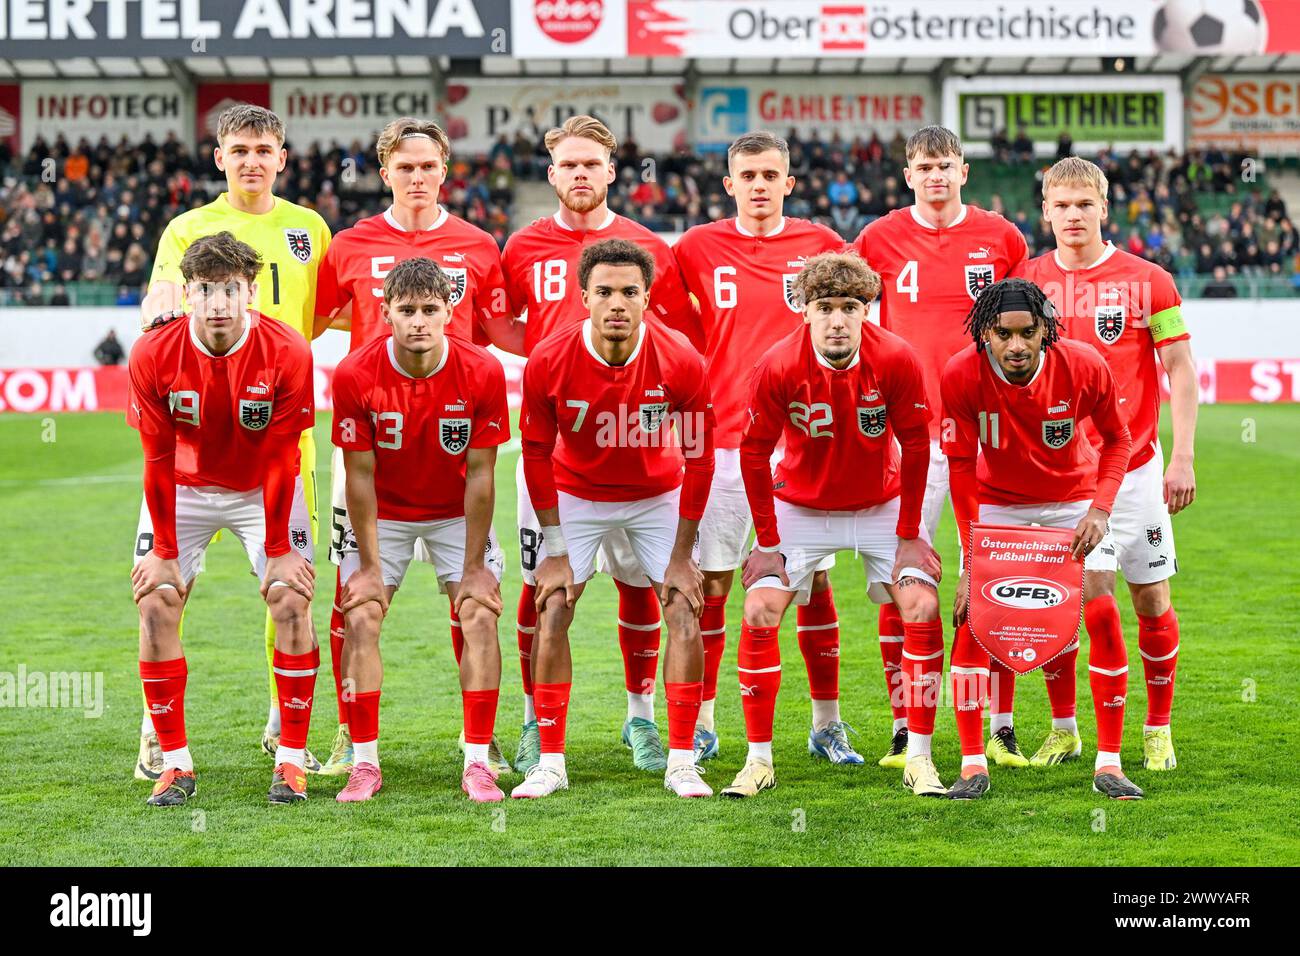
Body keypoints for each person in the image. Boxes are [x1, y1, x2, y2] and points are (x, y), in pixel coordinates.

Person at [312, 116, 517, 777]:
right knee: (356, 599)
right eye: (406, 167)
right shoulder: (349, 245)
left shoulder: (479, 244)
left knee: (474, 599)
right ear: (385, 174)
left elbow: (497, 327)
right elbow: (312, 323)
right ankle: (351, 737)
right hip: (371, 441)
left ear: (445, 169)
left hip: (454, 443)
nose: (418, 177)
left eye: (429, 166)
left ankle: (476, 746)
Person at [134, 104, 331, 781]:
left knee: (285, 589)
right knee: (161, 591)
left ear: (282, 156)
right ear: (220, 156)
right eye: (239, 149)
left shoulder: (309, 228)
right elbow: (161, 294)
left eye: (264, 149)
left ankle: (288, 728)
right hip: (193, 452)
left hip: (275, 435)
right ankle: (160, 735)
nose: (252, 159)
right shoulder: (187, 228)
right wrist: (167, 326)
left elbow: (332, 309)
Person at [500, 115, 700, 775]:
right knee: (544, 590)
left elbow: (681, 336)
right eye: (568, 165)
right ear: (551, 173)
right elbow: (499, 320)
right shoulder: (522, 246)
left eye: (592, 163)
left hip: (640, 453)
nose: (580, 174)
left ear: (612, 171)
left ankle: (641, 717)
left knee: (643, 589)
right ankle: (536, 723)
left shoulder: (649, 246)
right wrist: (548, 368)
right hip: (561, 452)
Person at [726, 253, 946, 799]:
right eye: (825, 308)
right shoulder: (777, 364)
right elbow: (752, 453)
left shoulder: (896, 357)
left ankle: (919, 754)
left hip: (881, 506)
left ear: (868, 310)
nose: (838, 320)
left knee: (921, 605)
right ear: (804, 311)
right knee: (758, 608)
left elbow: (917, 444)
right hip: (802, 509)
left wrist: (911, 535)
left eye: (851, 307)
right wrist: (770, 543)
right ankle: (758, 761)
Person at [672, 131, 853, 765]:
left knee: (815, 583)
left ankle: (826, 724)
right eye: (746, 175)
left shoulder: (822, 247)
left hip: (803, 443)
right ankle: (701, 720)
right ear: (728, 185)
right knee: (715, 584)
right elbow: (672, 319)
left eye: (770, 175)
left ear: (788, 183)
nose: (758, 185)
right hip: (724, 443)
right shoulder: (697, 247)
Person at [850, 125, 1028, 769]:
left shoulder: (1003, 238)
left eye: (945, 165)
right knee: (906, 582)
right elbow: (851, 322)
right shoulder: (878, 239)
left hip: (992, 431)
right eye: (924, 166)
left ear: (964, 171)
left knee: (999, 578)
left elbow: (1026, 327)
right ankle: (905, 724)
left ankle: (1000, 726)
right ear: (907, 174)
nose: (935, 175)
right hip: (913, 436)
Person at [515, 239, 714, 799]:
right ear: (584, 298)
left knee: (683, 605)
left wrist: (680, 556)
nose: (617, 304)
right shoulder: (550, 360)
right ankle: (550, 760)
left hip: (655, 495)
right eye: (604, 292)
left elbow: (699, 456)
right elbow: (534, 453)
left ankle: (681, 760)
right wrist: (554, 546)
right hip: (573, 494)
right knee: (553, 604)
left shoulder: (681, 360)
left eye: (630, 292)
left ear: (648, 297)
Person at [1018, 157, 1197, 771]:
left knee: (1150, 598)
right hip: (1064, 475)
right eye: (1061, 206)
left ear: (1103, 209)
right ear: (1045, 211)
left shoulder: (1150, 281)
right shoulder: (1027, 282)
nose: (1072, 216)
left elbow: (1179, 369)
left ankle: (1157, 726)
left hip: (1139, 469)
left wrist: (1184, 456)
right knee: (1079, 599)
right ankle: (1067, 729)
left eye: (1083, 205)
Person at [941, 277, 1141, 801]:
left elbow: (1119, 440)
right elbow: (960, 468)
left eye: (1028, 333)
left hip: (1074, 499)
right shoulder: (960, 374)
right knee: (972, 620)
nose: (1016, 346)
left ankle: (1110, 763)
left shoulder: (1083, 364)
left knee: (1099, 607)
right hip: (997, 501)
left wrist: (1100, 508)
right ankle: (970, 765)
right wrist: (968, 558)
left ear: (1045, 329)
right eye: (1003, 334)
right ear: (984, 332)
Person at [330, 257, 510, 804]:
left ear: (449, 312)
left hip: (456, 512)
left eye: (430, 309)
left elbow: (481, 474)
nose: (418, 322)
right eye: (406, 310)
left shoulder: (482, 371)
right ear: (385, 313)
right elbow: (358, 476)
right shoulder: (355, 374)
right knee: (360, 616)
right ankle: (364, 762)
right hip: (382, 512)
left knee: (479, 613)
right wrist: (367, 564)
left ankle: (477, 760)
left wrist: (476, 566)